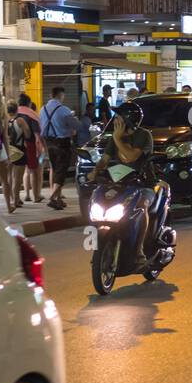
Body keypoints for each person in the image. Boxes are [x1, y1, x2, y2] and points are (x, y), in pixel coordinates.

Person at [90, 102, 163, 268]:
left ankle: (139, 252)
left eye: (118, 117)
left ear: (128, 120)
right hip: (118, 183)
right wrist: (95, 171)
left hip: (143, 184)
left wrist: (117, 138)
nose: (115, 119)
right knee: (98, 200)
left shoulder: (143, 135)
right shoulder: (114, 137)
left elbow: (131, 157)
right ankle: (101, 246)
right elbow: (105, 160)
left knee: (141, 206)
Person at [40, 86, 79, 210]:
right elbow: (74, 130)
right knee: (61, 171)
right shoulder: (64, 110)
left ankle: (57, 199)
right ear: (60, 95)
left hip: (49, 142)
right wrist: (74, 119)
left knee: (55, 168)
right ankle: (52, 197)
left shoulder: (43, 109)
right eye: (63, 95)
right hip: (62, 143)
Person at [16, 94, 45, 204]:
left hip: (15, 146)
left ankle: (17, 198)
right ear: (28, 103)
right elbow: (37, 134)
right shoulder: (31, 115)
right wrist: (40, 148)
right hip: (30, 145)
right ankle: (36, 196)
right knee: (33, 170)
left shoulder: (14, 114)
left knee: (17, 173)